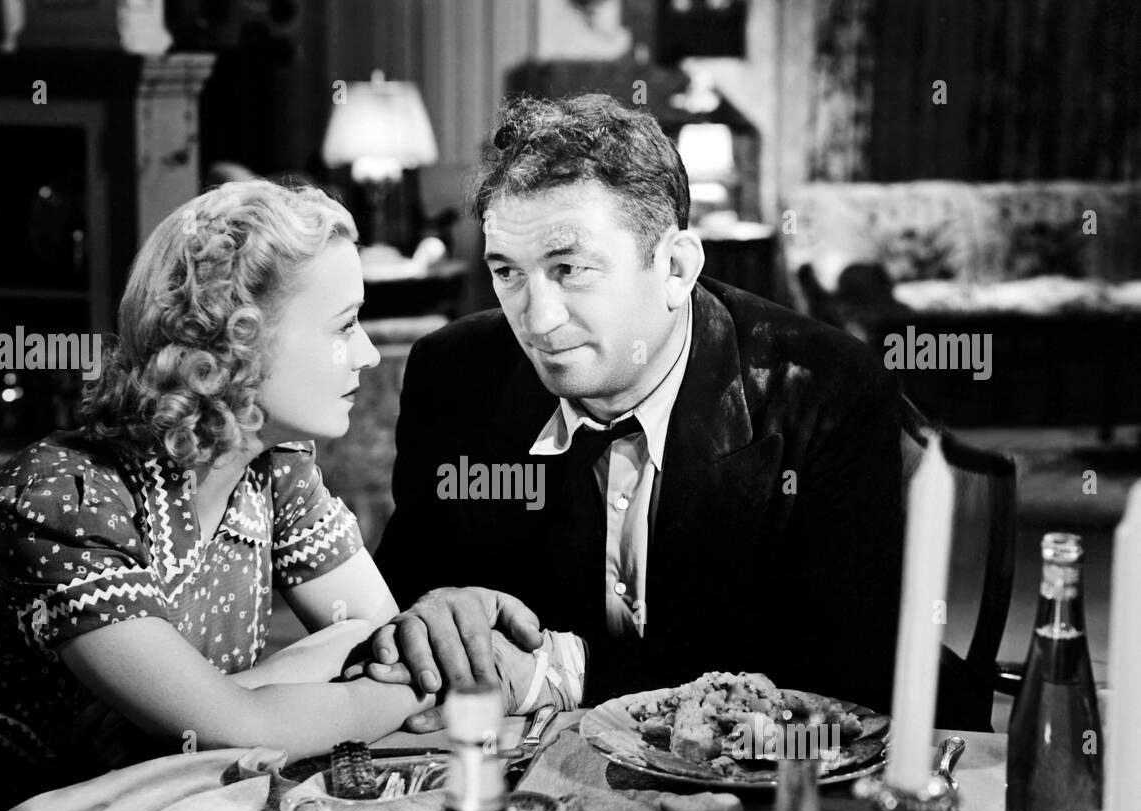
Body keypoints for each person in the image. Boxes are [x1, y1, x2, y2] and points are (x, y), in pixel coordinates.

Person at [0, 180, 438, 811]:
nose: (369, 354)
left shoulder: (276, 470)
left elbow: (376, 636)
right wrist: (403, 682)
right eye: (344, 324)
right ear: (241, 339)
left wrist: (242, 711)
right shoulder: (66, 494)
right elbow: (248, 724)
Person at [361, 93, 905, 721]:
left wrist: (559, 672)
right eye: (508, 272)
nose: (537, 320)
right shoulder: (452, 375)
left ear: (675, 268)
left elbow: (837, 679)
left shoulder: (828, 391)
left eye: (570, 268)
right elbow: (402, 604)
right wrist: (431, 615)